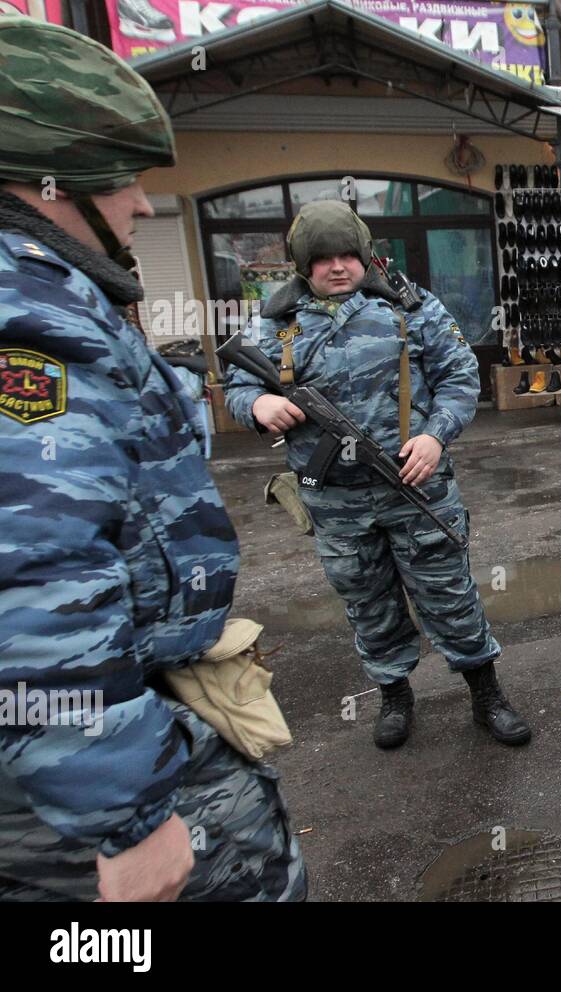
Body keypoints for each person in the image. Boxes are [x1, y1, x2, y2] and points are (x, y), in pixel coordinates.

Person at [0, 18, 305, 901]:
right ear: (48, 181)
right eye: (122, 179)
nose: (140, 204)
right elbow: (32, 582)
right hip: (64, 783)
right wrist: (126, 817)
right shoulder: (30, 322)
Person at [224, 201, 531, 750]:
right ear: (302, 263)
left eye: (348, 255)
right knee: (367, 601)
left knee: (449, 594)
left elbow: (462, 376)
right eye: (322, 259)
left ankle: (487, 695)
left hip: (415, 485)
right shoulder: (274, 324)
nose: (337, 267)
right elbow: (236, 387)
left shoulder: (411, 308)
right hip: (335, 501)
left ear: (366, 256)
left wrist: (436, 435)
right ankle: (395, 696)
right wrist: (257, 406)